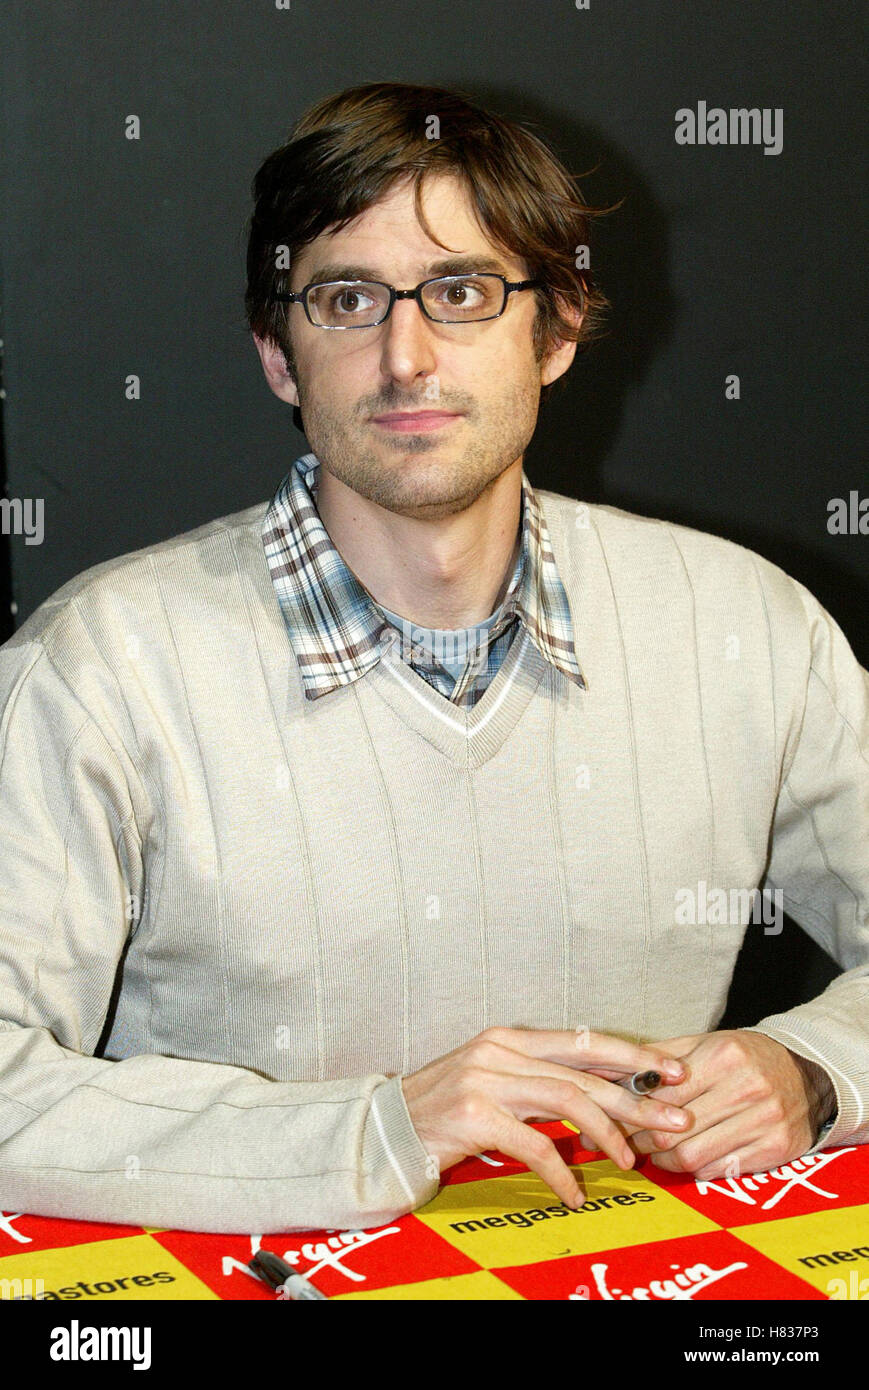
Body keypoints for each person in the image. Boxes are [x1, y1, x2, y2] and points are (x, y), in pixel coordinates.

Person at [0, 82, 864, 1237]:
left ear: (555, 330)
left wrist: (812, 1065)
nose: (404, 356)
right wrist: (372, 1131)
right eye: (346, 298)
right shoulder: (98, 669)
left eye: (460, 290)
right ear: (276, 353)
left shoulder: (746, 628)